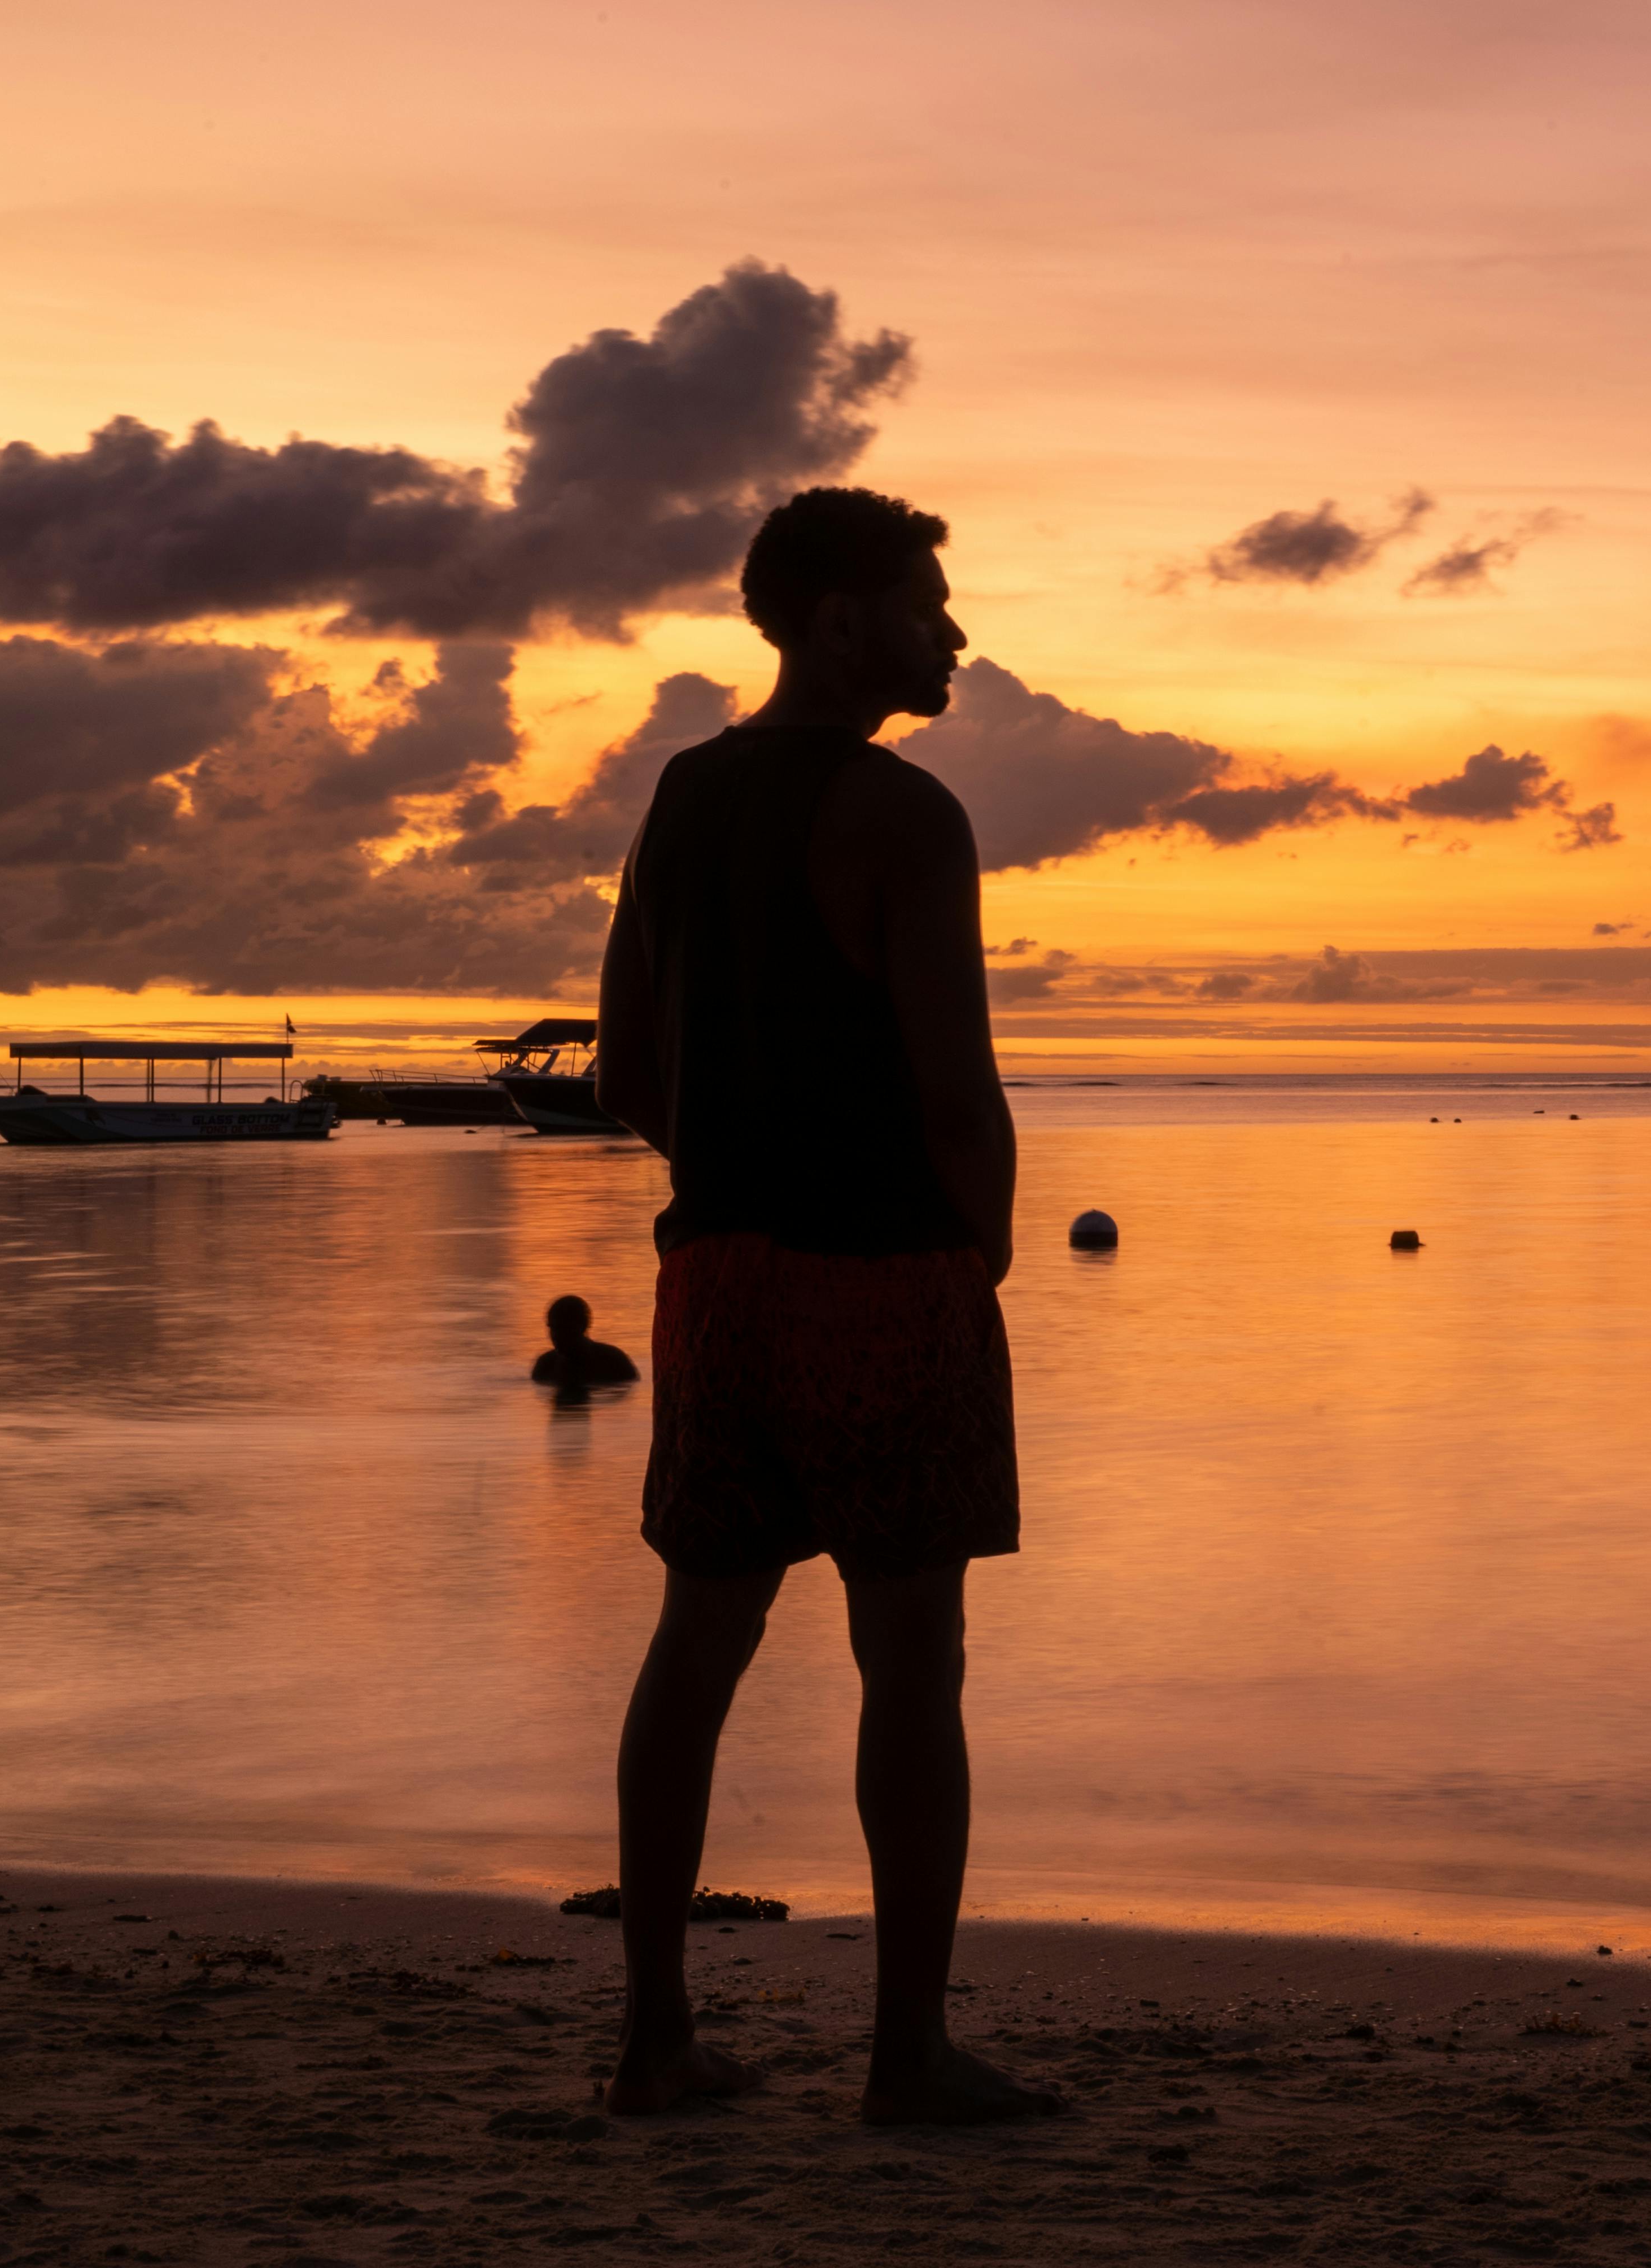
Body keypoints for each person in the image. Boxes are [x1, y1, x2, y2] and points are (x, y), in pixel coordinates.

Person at [592, 486, 1045, 2126]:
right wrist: (973, 1255)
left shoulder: (689, 791)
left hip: (716, 1277)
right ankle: (907, 2053)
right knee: (910, 1662)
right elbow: (954, 1086)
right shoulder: (903, 815)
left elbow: (624, 1068)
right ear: (841, 616)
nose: (954, 630)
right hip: (884, 1277)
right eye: (928, 600)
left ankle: (654, 2038)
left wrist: (740, 1174)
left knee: (696, 1643)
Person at [529, 1294, 640, 1392]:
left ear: (583, 1326)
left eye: (565, 1328)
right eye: (554, 1328)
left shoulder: (614, 1361)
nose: (557, 1335)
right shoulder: (545, 1366)